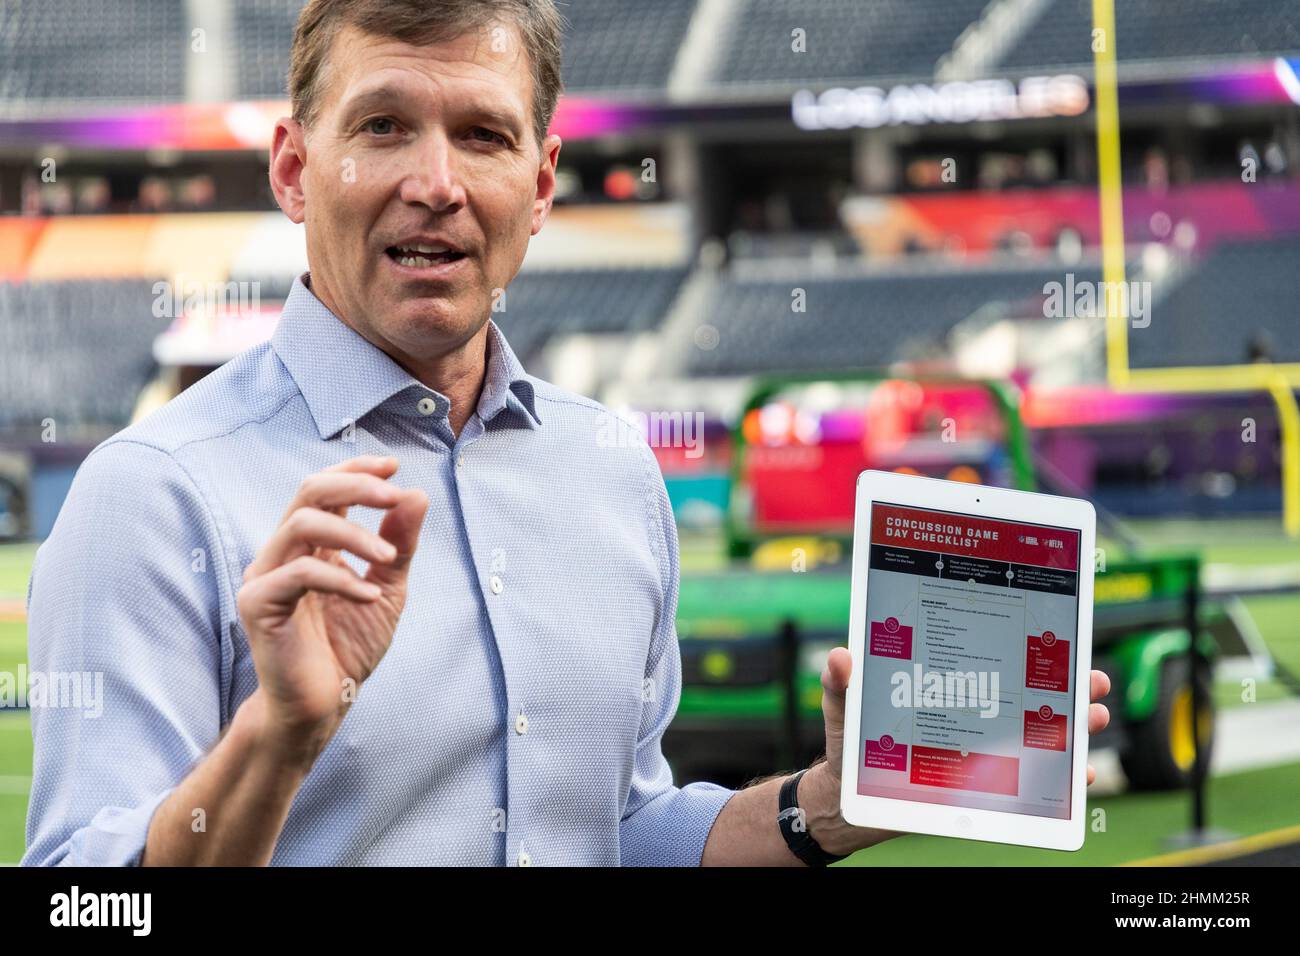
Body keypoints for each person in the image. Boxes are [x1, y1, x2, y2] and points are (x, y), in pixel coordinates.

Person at [23, 0, 1110, 866]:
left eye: (483, 136)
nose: (436, 184)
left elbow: (614, 831)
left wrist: (824, 805)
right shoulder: (153, 492)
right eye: (383, 125)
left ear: (538, 185)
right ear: (295, 167)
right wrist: (275, 741)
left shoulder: (610, 471)